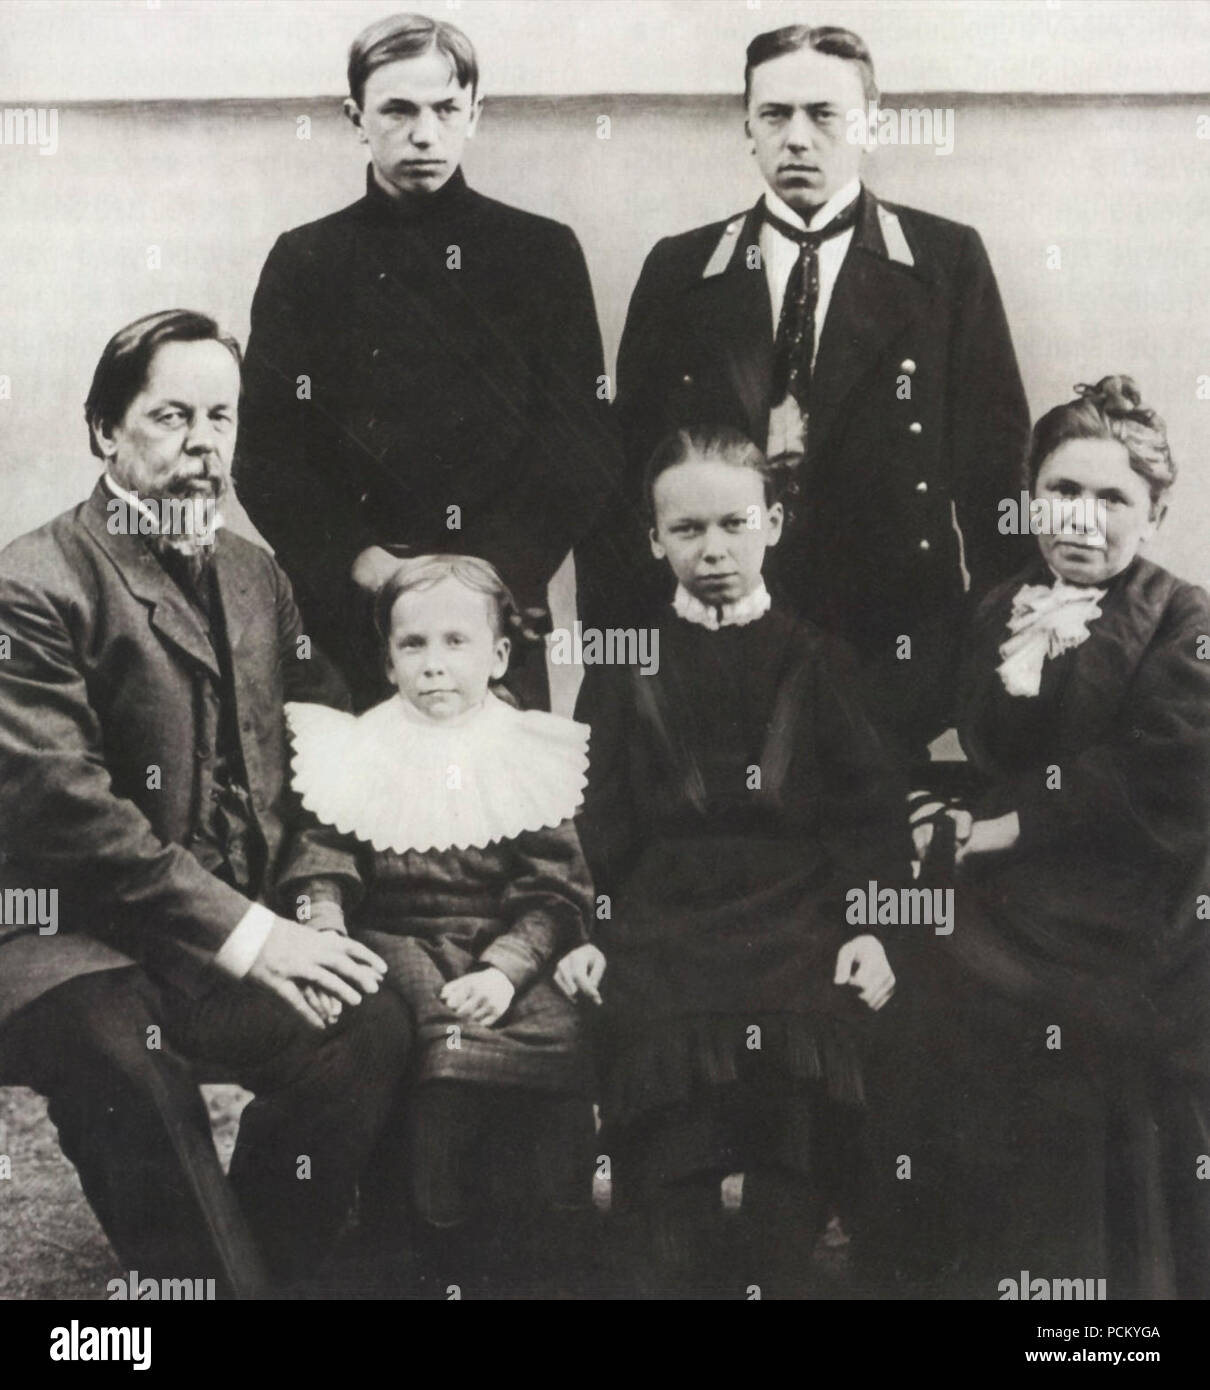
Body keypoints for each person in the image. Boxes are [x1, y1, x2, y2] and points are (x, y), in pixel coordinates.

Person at [0, 310, 410, 1298]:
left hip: (218, 939)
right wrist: (254, 937)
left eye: (220, 418)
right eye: (172, 416)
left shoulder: (254, 574)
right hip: (62, 944)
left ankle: (237, 1276)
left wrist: (316, 901)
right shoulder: (30, 585)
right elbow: (70, 817)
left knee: (368, 1021)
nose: (202, 446)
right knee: (121, 1050)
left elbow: (327, 747)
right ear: (105, 430)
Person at [578, 22, 1031, 757]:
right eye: (774, 115)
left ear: (870, 124)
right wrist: (621, 660)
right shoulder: (681, 270)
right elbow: (628, 481)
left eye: (824, 115)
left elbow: (996, 476)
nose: (797, 138)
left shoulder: (945, 263)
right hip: (714, 648)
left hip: (892, 650)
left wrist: (992, 659)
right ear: (747, 128)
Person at [866, 377, 1210, 1299]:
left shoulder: (1185, 619)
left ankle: (1085, 1305)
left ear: (1156, 513)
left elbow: (1162, 778)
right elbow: (913, 730)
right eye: (1062, 491)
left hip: (1133, 897)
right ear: (1030, 499)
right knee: (912, 967)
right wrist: (922, 808)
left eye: (1113, 499)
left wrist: (995, 830)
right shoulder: (996, 607)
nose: (1082, 520)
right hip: (1005, 883)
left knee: (1049, 1021)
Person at [560, 425, 910, 1297]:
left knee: (795, 1095)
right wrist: (590, 930)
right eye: (686, 529)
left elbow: (870, 814)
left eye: (734, 523)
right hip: (663, 922)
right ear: (653, 539)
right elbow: (594, 820)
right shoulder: (624, 663)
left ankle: (774, 1259)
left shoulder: (822, 658)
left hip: (799, 916)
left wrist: (871, 928)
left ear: (774, 525)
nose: (712, 550)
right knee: (666, 1184)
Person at [236, 10, 620, 712]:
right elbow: (266, 456)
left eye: (445, 109)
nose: (424, 133)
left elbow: (581, 449)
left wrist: (488, 573)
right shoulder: (306, 261)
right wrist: (364, 563)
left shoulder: (540, 254)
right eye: (398, 110)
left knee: (498, 783)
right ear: (356, 117)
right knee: (347, 781)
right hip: (350, 617)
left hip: (495, 612)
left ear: (475, 112)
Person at [283, 554, 597, 1295]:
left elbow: (556, 887)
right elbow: (322, 855)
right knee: (442, 1053)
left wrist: (508, 968)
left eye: (457, 642)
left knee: (554, 1040)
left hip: (503, 947)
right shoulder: (360, 747)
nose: (433, 665)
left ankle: (535, 1236)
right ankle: (435, 1238)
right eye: (413, 644)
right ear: (387, 662)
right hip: (397, 941)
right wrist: (323, 921)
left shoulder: (524, 749)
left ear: (499, 656)